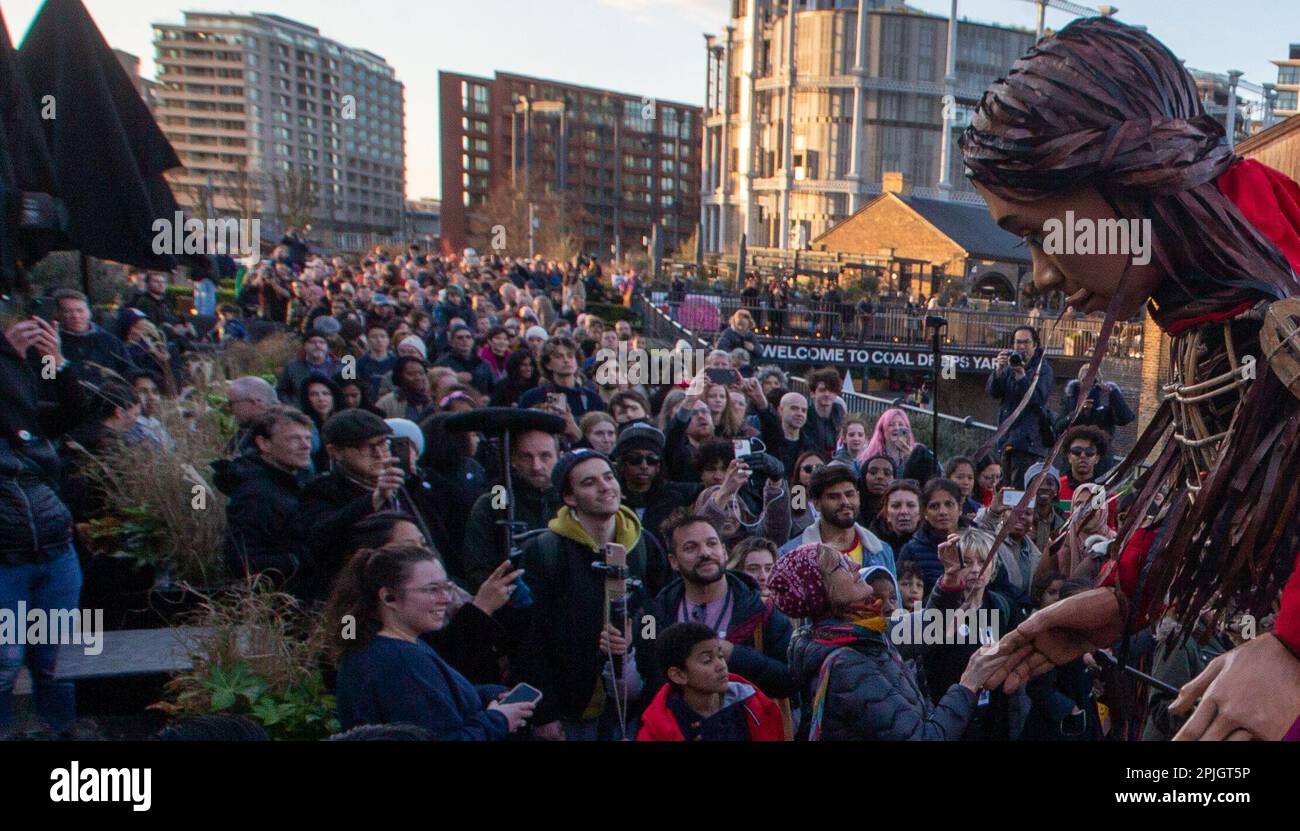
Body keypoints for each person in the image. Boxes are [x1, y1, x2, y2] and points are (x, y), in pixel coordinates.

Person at [774, 543, 1013, 741]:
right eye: (841, 565)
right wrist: (968, 684)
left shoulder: (862, 633)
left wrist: (949, 580)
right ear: (820, 591)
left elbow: (926, 629)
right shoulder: (846, 665)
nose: (856, 565)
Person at [328, 544, 534, 740]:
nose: (445, 598)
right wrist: (499, 720)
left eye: (447, 587)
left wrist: (486, 695)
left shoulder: (392, 647)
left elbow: (434, 702)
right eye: (432, 589)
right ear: (388, 597)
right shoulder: (399, 661)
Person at [515, 450, 651, 741]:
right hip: (570, 710)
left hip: (631, 705)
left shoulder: (642, 543)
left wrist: (639, 639)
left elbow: (653, 616)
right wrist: (544, 712)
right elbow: (530, 637)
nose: (605, 486)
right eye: (589, 482)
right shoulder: (544, 552)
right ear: (570, 497)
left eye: (608, 477)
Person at [0, 316, 84, 733]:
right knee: (4, 662)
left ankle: (63, 738)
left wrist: (56, 361)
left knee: (52, 659)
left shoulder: (26, 417)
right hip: (5, 562)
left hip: (54, 552)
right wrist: (7, 357)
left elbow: (72, 410)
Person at [638, 512, 795, 702]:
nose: (705, 553)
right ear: (673, 561)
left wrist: (735, 655)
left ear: (724, 551)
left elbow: (790, 680)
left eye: (711, 543)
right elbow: (648, 679)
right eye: (690, 548)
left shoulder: (763, 610)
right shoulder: (654, 615)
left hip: (747, 726)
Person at [298, 411, 403, 598]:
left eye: (383, 443)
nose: (378, 454)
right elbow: (318, 538)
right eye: (365, 447)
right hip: (353, 596)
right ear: (335, 451)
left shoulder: (402, 484)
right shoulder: (321, 490)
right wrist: (373, 500)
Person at [211, 408, 313, 589]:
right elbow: (242, 561)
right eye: (294, 438)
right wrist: (298, 561)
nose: (306, 445)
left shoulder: (289, 480)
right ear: (264, 444)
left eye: (308, 438)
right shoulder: (256, 494)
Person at [636, 622, 785, 742]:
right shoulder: (659, 728)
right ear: (678, 675)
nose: (721, 666)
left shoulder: (753, 706)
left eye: (720, 656)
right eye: (707, 660)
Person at [462, 429, 561, 592]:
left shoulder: (572, 499)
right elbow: (478, 569)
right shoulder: (495, 500)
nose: (536, 466)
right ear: (513, 459)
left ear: (558, 456)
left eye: (545, 456)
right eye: (526, 457)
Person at [779, 464, 894, 573]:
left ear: (858, 496)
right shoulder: (790, 555)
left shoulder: (881, 551)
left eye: (849, 494)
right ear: (817, 503)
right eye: (834, 497)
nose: (845, 502)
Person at [986, 326, 1054, 489]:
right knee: (1005, 490)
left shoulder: (1043, 369)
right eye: (1017, 342)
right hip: (1007, 439)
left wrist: (1022, 376)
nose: (1021, 347)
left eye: (1026, 342)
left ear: (1035, 345)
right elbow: (993, 393)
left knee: (1019, 492)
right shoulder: (1010, 364)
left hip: (1028, 444)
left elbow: (1038, 399)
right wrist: (999, 371)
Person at [611, 424, 696, 555]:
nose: (644, 466)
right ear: (622, 464)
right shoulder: (610, 499)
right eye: (635, 459)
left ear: (658, 466)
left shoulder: (673, 497)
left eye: (652, 460)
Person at [896, 478, 964, 594]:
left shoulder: (977, 544)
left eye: (949, 504)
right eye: (934, 506)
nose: (943, 512)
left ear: (960, 508)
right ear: (925, 513)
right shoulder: (911, 551)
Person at [51, 288, 135, 380]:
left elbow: (131, 373)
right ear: (58, 314)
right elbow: (46, 378)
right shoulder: (50, 343)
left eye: (80, 310)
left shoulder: (110, 341)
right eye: (68, 311)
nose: (75, 316)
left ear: (89, 312)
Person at [517, 336, 604, 418]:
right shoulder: (532, 398)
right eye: (559, 356)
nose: (566, 360)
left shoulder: (592, 399)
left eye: (570, 356)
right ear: (547, 364)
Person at [1056, 365, 1136, 442]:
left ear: (1099, 381)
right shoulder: (1071, 397)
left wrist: (1114, 394)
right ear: (1080, 381)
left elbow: (1125, 419)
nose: (1090, 384)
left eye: (1094, 381)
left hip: (1101, 448)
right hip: (1076, 448)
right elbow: (1058, 427)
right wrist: (1077, 413)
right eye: (1085, 380)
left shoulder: (1106, 397)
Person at [225, 376, 278, 458]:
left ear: (255, 402)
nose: (228, 409)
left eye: (231, 403)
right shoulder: (248, 428)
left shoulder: (280, 431)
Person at [277, 334, 337, 404]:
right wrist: (294, 407)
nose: (317, 345)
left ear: (327, 347)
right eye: (312, 342)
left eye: (322, 342)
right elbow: (282, 392)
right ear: (304, 346)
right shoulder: (293, 368)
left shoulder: (341, 367)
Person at [869, 479, 922, 555]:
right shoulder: (871, 544)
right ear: (886, 513)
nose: (904, 511)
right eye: (896, 506)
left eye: (911, 505)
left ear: (920, 512)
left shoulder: (933, 544)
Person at [375, 356, 435, 422]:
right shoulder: (386, 403)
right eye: (411, 374)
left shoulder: (433, 399)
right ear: (400, 376)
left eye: (421, 373)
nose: (418, 378)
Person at [802, 369, 845, 456]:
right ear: (813, 393)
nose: (827, 394)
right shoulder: (805, 416)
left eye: (831, 390)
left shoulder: (840, 413)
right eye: (822, 390)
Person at [855, 454, 895, 528]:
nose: (880, 477)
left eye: (887, 473)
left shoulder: (899, 510)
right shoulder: (852, 509)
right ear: (864, 476)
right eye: (873, 472)